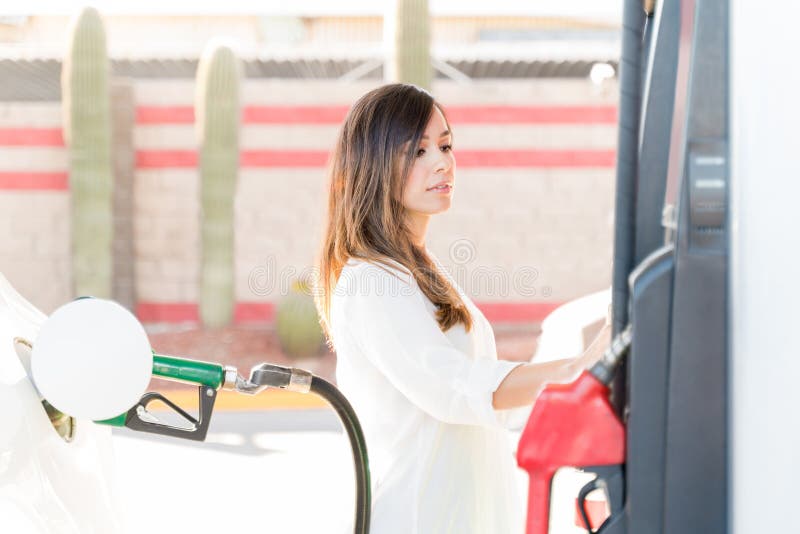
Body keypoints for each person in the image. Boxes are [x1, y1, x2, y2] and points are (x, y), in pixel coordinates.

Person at [314, 83, 611, 533]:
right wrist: (578, 368)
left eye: (446, 145)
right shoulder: (371, 281)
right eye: (417, 151)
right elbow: (455, 386)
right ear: (373, 165)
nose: (442, 162)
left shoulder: (418, 270)